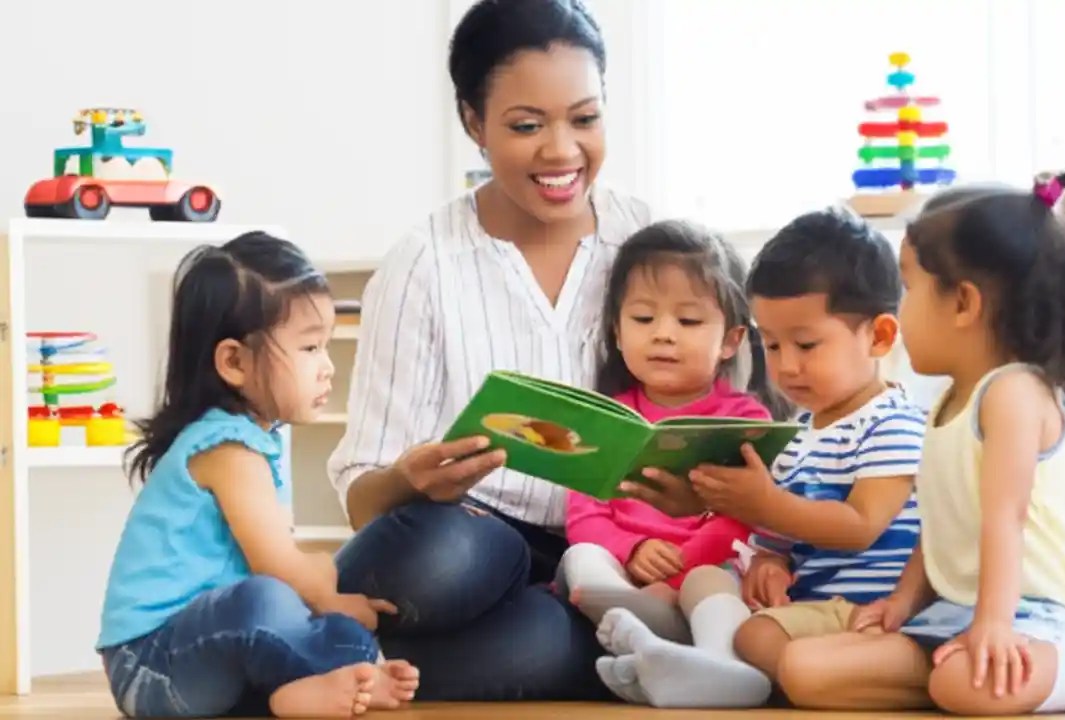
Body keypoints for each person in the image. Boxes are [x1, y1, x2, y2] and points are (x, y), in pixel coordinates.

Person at [773, 167, 1065, 715]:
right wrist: (901, 603)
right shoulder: (946, 403)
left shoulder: (1013, 393)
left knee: (964, 682)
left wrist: (991, 626)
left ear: (964, 304)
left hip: (1045, 619)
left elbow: (1004, 520)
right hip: (956, 614)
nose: (899, 306)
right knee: (802, 669)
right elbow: (945, 526)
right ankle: (967, 680)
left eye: (908, 287)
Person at [326, 0, 653, 701]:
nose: (563, 151)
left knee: (541, 646)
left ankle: (360, 660)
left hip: (616, 548)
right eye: (527, 125)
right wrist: (412, 480)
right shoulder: (424, 262)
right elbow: (363, 496)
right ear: (473, 122)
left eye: (585, 119)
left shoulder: (651, 243)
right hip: (472, 537)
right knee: (438, 557)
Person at [593, 207, 927, 708]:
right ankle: (724, 675)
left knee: (788, 657)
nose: (787, 365)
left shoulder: (894, 422)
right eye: (771, 344)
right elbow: (782, 535)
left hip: (882, 610)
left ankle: (763, 676)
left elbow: (860, 525)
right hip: (818, 610)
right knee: (752, 637)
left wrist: (763, 505)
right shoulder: (798, 434)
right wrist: (770, 560)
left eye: (807, 344)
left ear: (878, 336)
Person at [96, 233, 419, 718]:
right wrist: (328, 589)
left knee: (335, 626)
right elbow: (276, 566)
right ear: (233, 362)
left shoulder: (262, 437)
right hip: (151, 667)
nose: (328, 368)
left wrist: (327, 593)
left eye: (326, 346)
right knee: (268, 599)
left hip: (203, 656)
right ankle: (306, 688)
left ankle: (311, 687)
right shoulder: (227, 448)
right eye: (310, 348)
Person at [558, 220, 780, 643]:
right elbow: (585, 515)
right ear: (617, 333)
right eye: (643, 318)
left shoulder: (744, 421)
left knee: (720, 582)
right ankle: (629, 618)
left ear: (730, 341)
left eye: (689, 321)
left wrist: (678, 574)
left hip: (704, 577)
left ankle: (678, 643)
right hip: (622, 576)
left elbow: (742, 518)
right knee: (582, 555)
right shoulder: (604, 420)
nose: (663, 334)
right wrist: (632, 550)